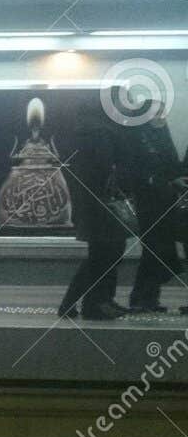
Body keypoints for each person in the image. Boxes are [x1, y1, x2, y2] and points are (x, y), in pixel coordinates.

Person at [59, 99, 129, 321]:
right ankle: (88, 303)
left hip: (90, 204)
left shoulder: (82, 132)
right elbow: (106, 166)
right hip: (103, 205)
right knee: (105, 255)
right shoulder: (101, 133)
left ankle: (97, 302)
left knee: (100, 255)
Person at [123, 113, 187, 312]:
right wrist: (171, 182)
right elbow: (139, 173)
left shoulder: (153, 138)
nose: (161, 118)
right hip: (152, 204)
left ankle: (146, 297)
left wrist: (174, 180)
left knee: (155, 251)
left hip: (165, 203)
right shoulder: (138, 140)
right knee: (156, 250)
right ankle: (144, 298)